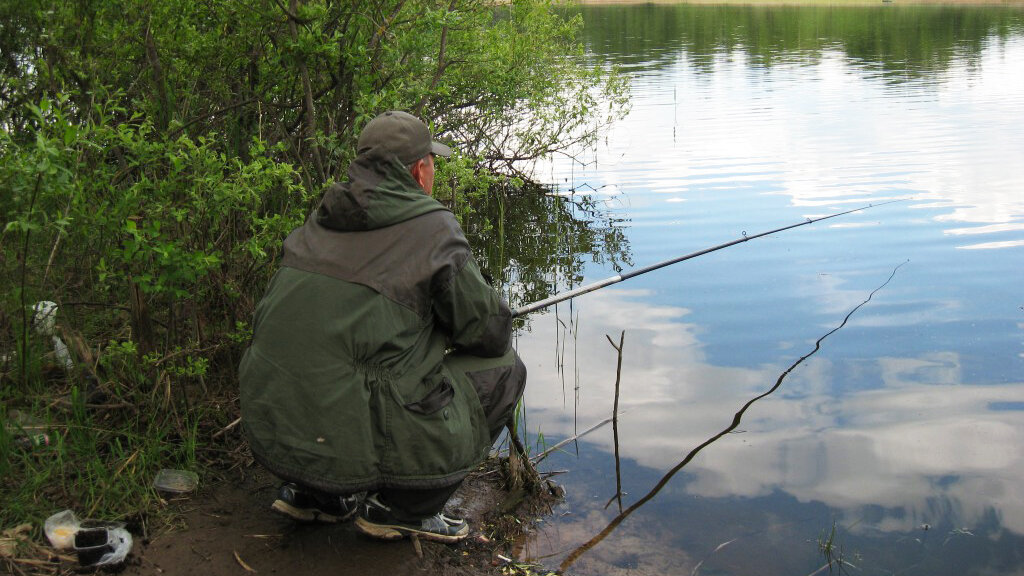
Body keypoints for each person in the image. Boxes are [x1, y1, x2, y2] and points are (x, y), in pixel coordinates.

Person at [239, 110, 526, 543]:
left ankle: (316, 494)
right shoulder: (434, 229)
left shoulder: (321, 219)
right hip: (330, 417)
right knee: (505, 368)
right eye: (433, 161)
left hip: (272, 420)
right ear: (418, 170)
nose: (434, 170)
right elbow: (488, 334)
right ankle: (403, 508)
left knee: (334, 365)